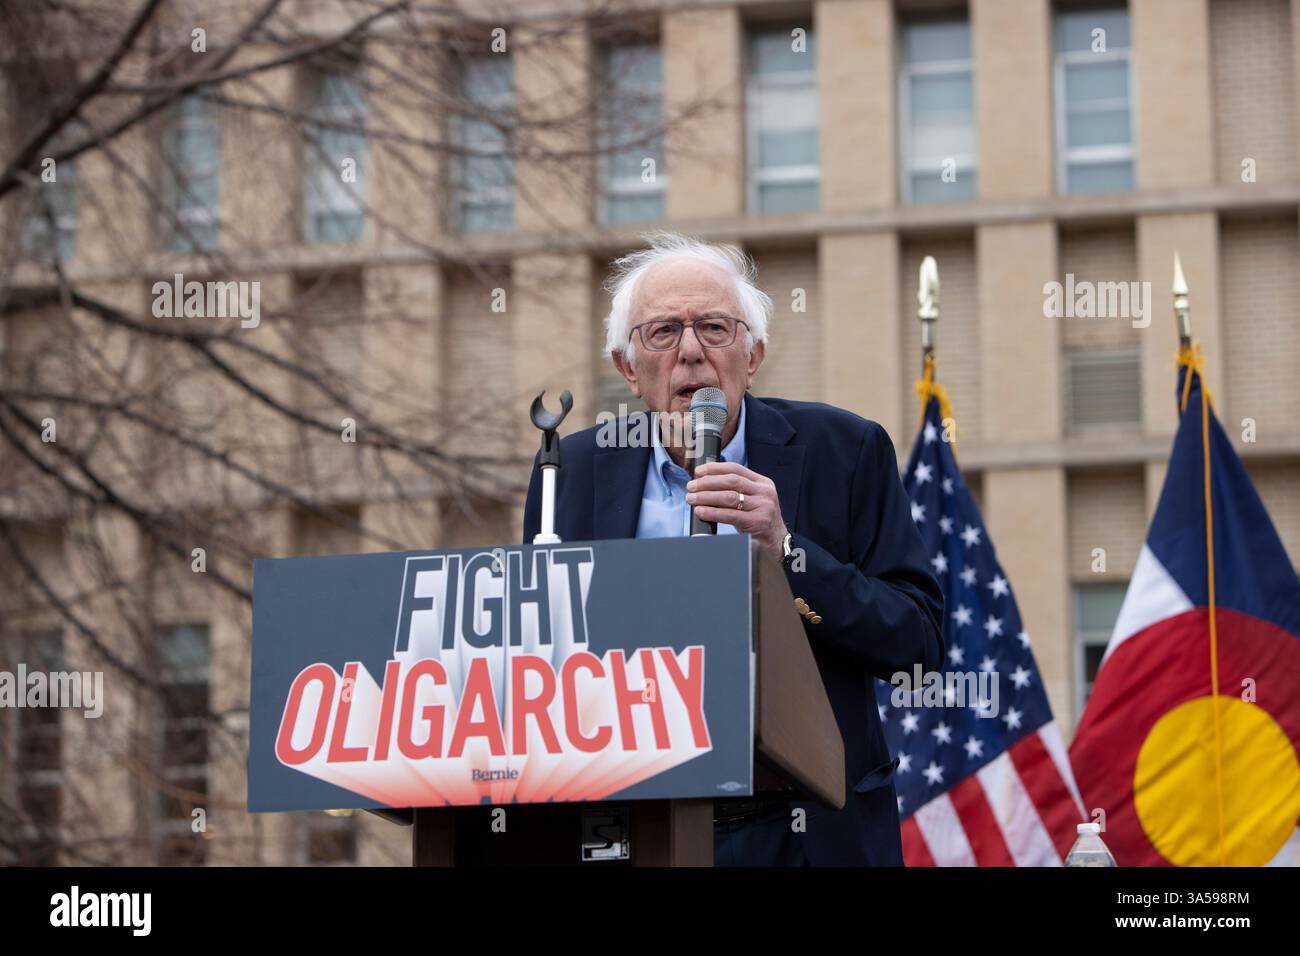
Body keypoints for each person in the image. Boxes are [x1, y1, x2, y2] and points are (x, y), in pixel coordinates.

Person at [522, 233, 944, 865]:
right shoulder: (571, 469)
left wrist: (786, 551)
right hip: (634, 826)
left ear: (754, 356)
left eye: (715, 328)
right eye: (663, 332)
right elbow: (534, 649)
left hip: (804, 832)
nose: (691, 352)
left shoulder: (846, 451)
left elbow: (917, 643)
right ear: (628, 370)